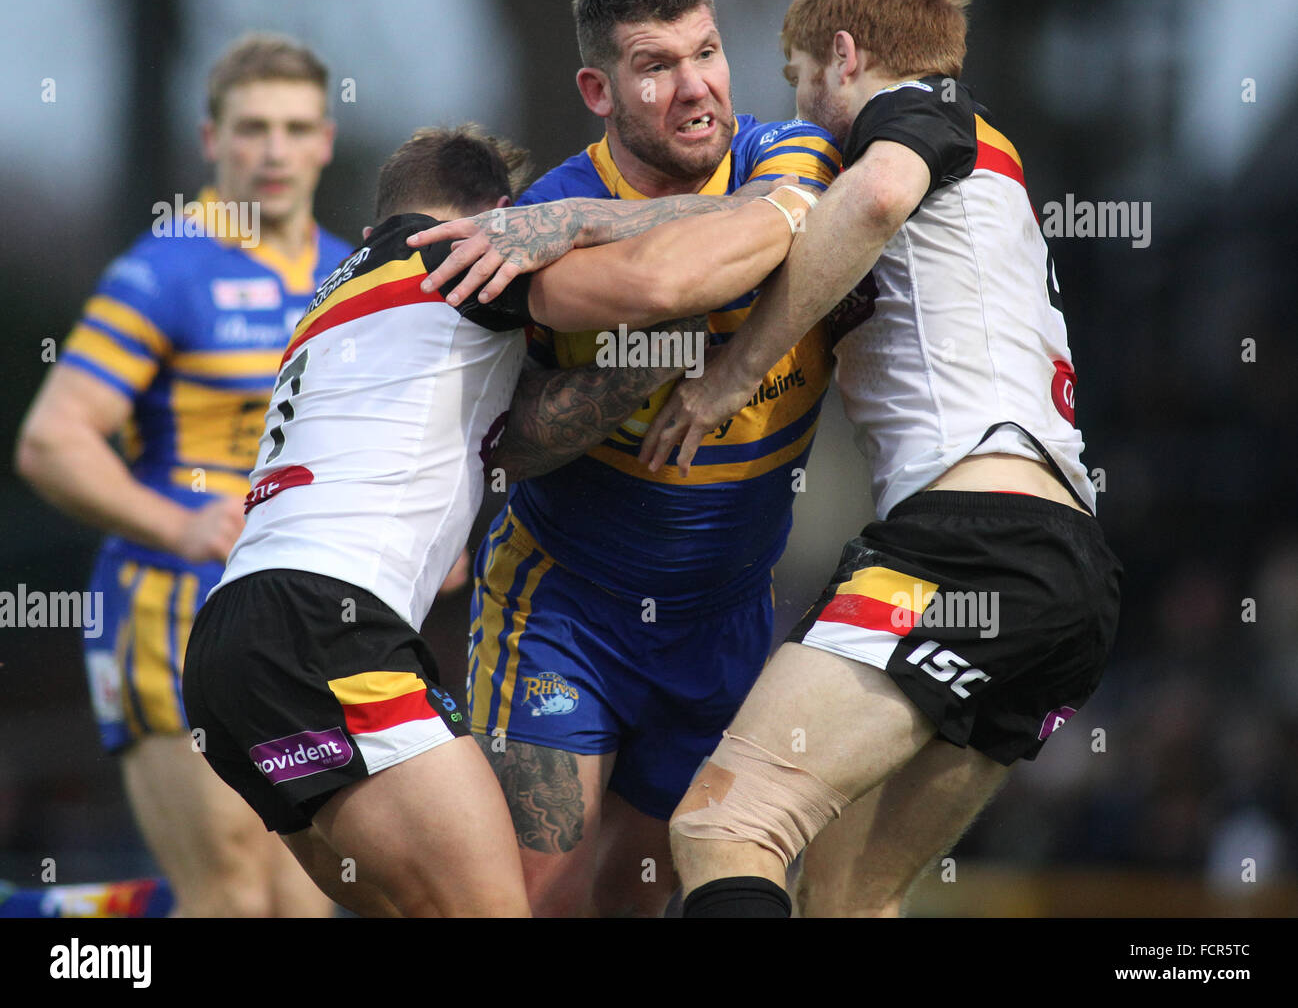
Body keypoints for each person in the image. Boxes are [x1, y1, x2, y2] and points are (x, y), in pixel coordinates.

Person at [181, 124, 822, 917]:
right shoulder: (449, 259)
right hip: (326, 634)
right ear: (494, 215)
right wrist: (758, 209)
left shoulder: (334, 304)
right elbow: (655, 283)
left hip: (227, 650)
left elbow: (523, 429)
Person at [632, 0, 1123, 918]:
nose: (803, 108)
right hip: (1067, 578)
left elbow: (879, 192)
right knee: (848, 899)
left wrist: (728, 375)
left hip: (968, 546)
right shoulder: (993, 167)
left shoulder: (918, 116)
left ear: (846, 56)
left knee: (726, 827)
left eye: (801, 80)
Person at [411, 0, 841, 917]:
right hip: (567, 612)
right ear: (598, 90)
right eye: (657, 65)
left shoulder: (798, 156)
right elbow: (510, 447)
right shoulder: (527, 228)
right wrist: (678, 343)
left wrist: (596, 233)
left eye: (710, 52)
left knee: (640, 896)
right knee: (542, 902)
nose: (696, 87)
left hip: (726, 612)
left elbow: (693, 260)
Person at [15, 33, 351, 917]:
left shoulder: (349, 273)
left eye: (293, 127)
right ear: (212, 140)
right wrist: (182, 527)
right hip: (171, 611)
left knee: (307, 902)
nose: (273, 151)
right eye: (251, 129)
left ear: (323, 139)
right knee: (232, 893)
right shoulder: (165, 271)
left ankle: (51, 920)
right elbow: (53, 440)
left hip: (301, 628)